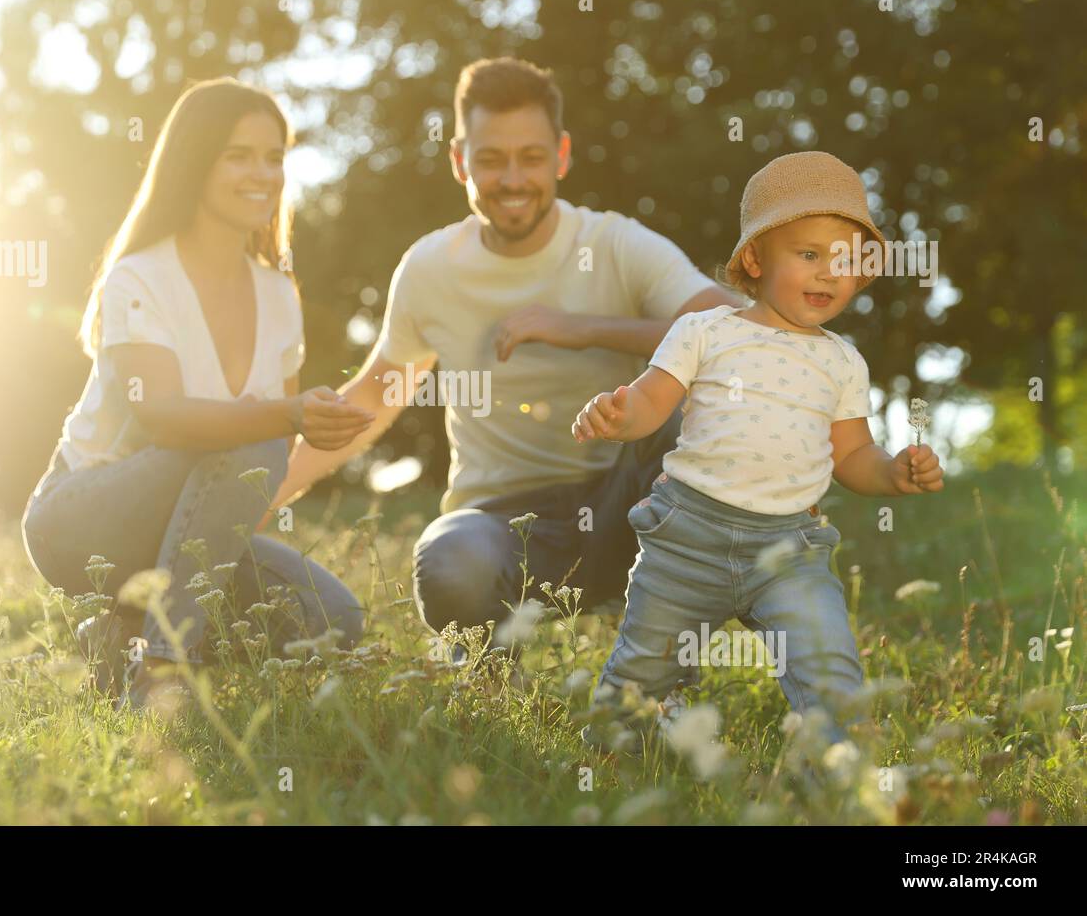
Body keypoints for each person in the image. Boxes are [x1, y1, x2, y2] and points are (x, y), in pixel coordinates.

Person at [269, 57, 740, 637]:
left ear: (562, 156)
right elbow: (374, 395)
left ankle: (662, 670)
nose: (512, 180)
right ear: (459, 160)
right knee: (450, 559)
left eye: (532, 158)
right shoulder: (430, 268)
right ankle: (495, 684)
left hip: (623, 509)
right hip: (498, 524)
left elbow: (736, 329)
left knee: (701, 412)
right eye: (491, 160)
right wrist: (265, 497)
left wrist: (588, 328)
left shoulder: (613, 243)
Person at [572, 150, 946, 753]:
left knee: (830, 670)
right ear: (755, 256)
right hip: (688, 537)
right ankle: (619, 759)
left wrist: (894, 472)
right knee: (640, 677)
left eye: (846, 261)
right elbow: (650, 402)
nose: (829, 273)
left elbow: (851, 456)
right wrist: (619, 415)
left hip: (790, 550)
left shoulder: (843, 361)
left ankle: (839, 775)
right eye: (809, 255)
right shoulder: (707, 331)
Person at [21, 78, 371, 709]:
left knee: (333, 622)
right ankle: (160, 673)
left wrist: (295, 425)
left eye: (274, 157)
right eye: (239, 154)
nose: (262, 173)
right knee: (252, 431)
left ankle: (120, 634)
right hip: (80, 521)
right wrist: (289, 414)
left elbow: (271, 450)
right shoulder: (142, 276)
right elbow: (164, 419)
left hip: (186, 533)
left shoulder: (278, 294)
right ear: (195, 162)